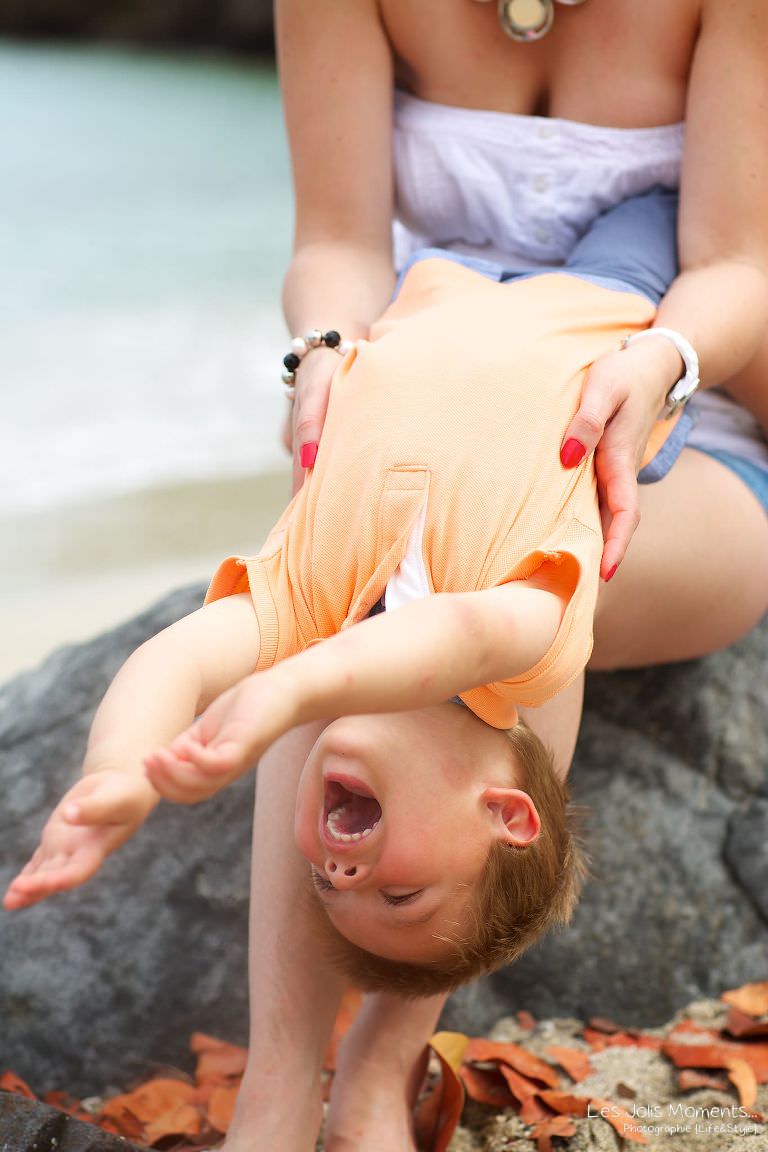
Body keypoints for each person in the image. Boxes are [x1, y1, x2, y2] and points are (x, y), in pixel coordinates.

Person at [213, 4, 768, 1152]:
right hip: (444, 384)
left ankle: (378, 1071)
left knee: (522, 541)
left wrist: (662, 359)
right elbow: (338, 242)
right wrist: (325, 350)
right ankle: (274, 1093)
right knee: (338, 575)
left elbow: (737, 262)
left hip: (687, 418)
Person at [5, 192, 686, 993]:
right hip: (614, 293)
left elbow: (176, 661)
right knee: (687, 204)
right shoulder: (531, 646)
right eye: (399, 894)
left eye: (325, 886)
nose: (339, 869)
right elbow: (448, 632)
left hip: (435, 273)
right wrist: (287, 692)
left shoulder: (306, 611)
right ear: (508, 815)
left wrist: (116, 774)